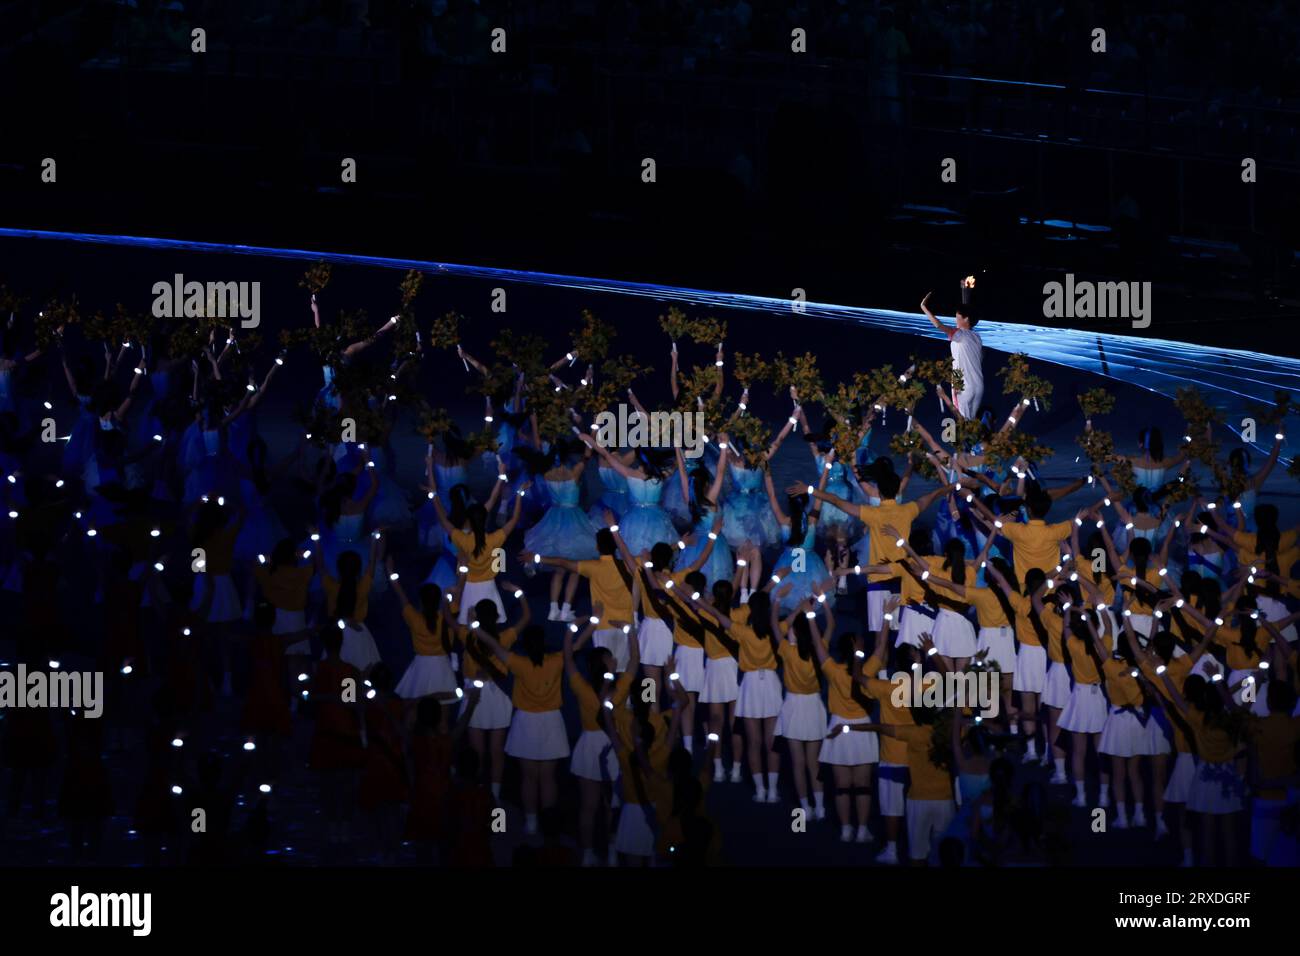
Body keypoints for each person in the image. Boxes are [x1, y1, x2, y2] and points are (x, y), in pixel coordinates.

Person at [920, 285, 983, 419]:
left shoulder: (959, 335)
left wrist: (924, 307)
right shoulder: (977, 337)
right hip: (978, 386)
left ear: (966, 319)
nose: (955, 320)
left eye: (957, 317)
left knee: (963, 425)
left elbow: (938, 325)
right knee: (971, 425)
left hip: (963, 386)